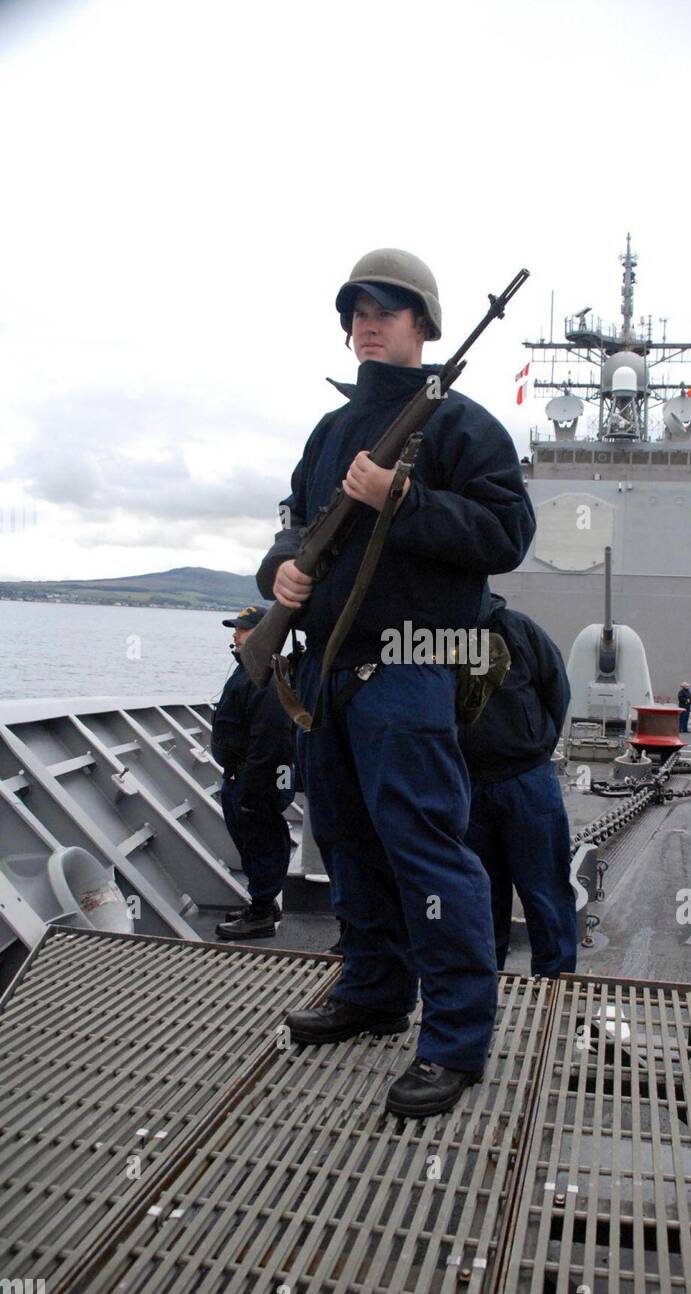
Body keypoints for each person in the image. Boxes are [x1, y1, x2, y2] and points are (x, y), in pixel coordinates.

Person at [256, 248, 535, 1117]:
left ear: (424, 326)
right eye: (356, 311)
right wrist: (278, 577)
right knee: (344, 840)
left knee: (427, 853)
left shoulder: (464, 428)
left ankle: (454, 1040)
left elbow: (506, 535)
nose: (367, 323)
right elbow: (296, 528)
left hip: (412, 666)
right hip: (329, 672)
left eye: (386, 309)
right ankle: (373, 993)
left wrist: (402, 497)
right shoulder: (328, 434)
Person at [460, 592, 576, 978]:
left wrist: (535, 745)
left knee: (544, 889)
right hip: (471, 785)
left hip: (526, 782)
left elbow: (555, 686)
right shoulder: (439, 638)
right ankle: (482, 980)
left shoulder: (518, 630)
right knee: (481, 894)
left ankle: (555, 981)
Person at [211, 605, 296, 941]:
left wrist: (254, 788)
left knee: (262, 841)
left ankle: (260, 914)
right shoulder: (247, 669)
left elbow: (271, 737)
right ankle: (263, 902)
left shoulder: (265, 674)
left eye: (243, 629)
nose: (235, 633)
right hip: (241, 774)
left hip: (255, 777)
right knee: (249, 840)